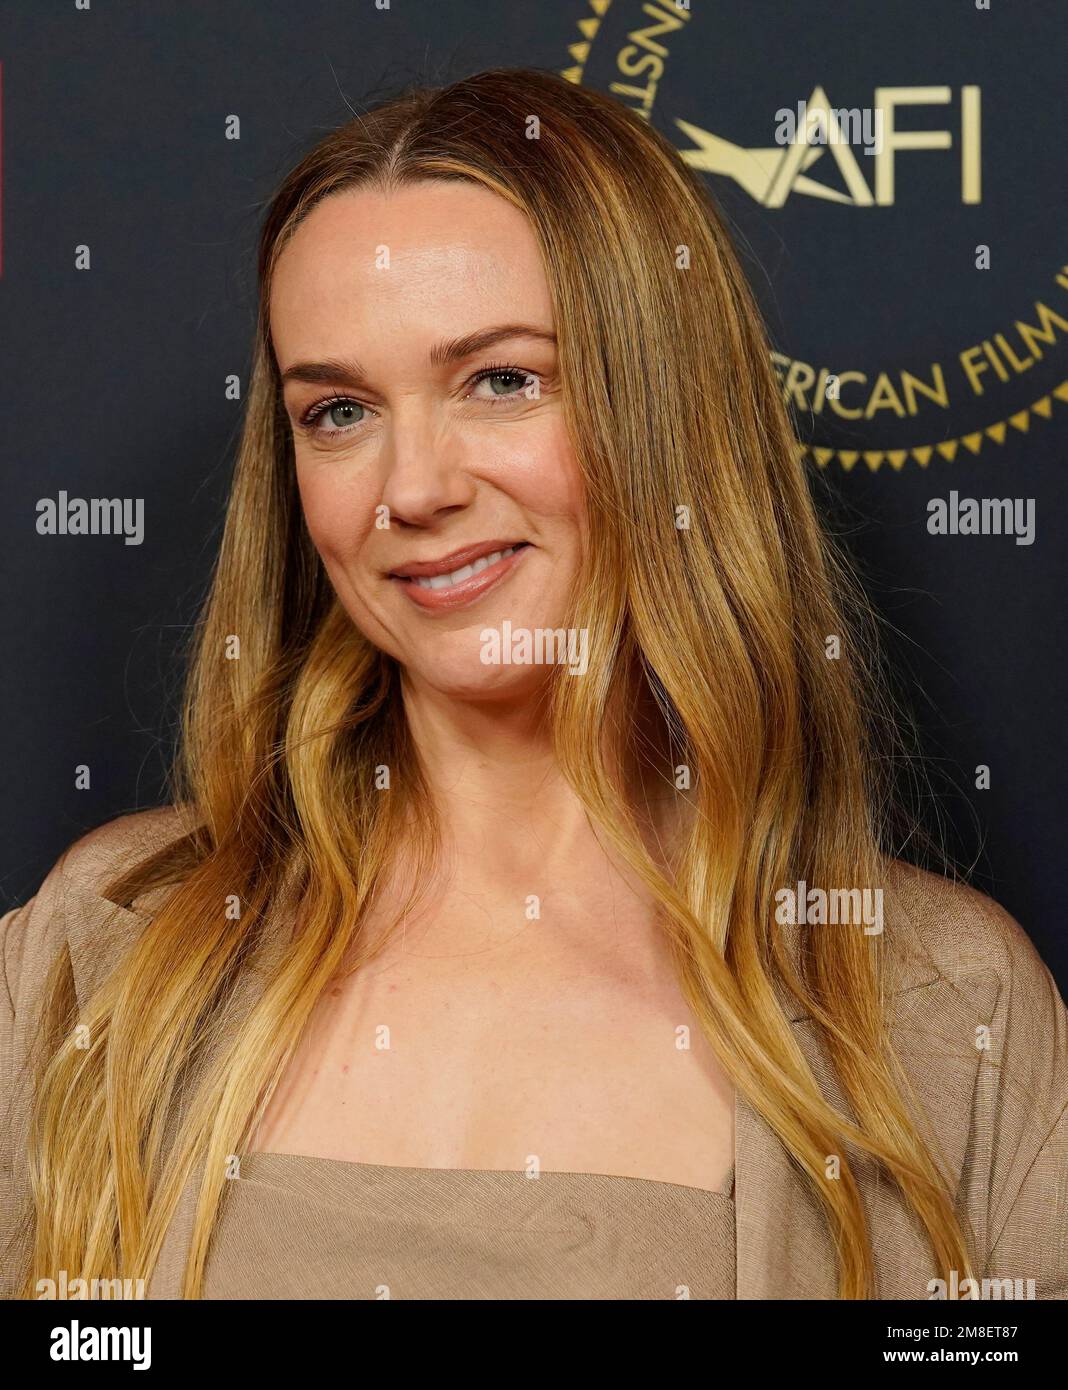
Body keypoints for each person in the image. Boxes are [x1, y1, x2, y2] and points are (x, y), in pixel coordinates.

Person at [2, 67, 1065, 1301]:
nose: (414, 487)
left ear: (663, 409)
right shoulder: (102, 949)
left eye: (501, 380)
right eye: (338, 410)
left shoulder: (940, 1007)